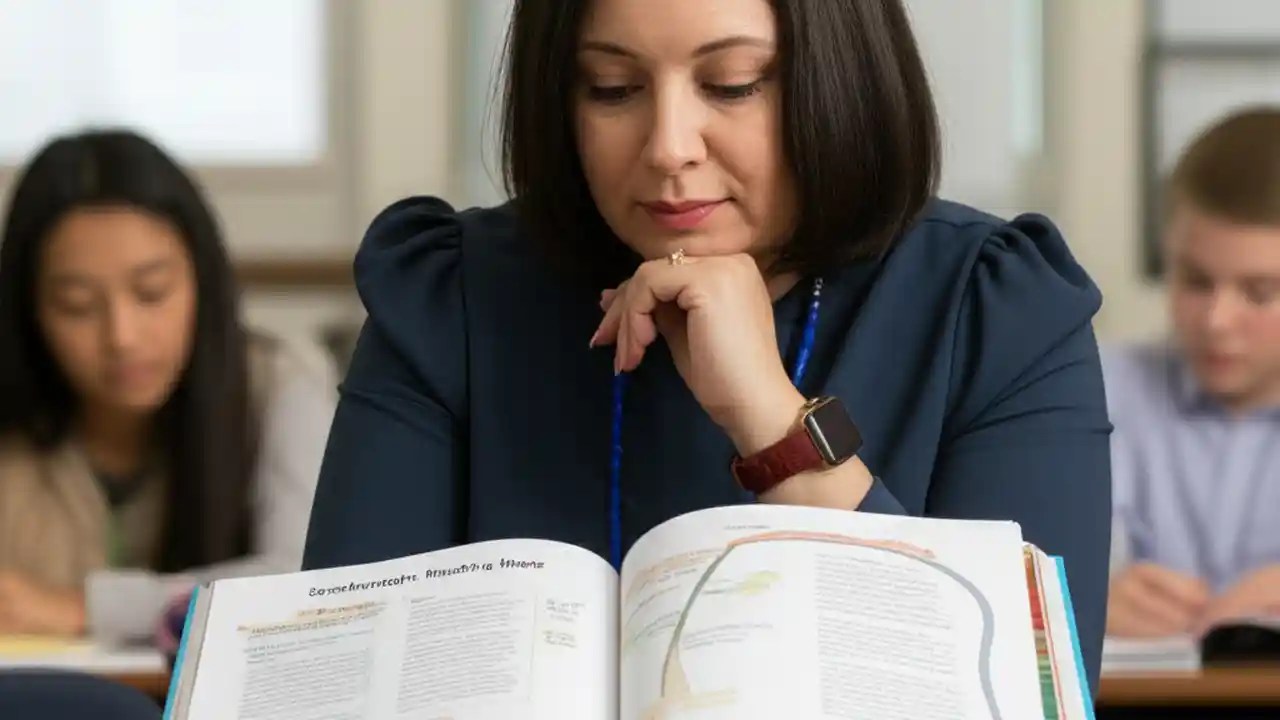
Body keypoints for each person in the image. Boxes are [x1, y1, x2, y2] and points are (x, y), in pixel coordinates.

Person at [302, 0, 1113, 689]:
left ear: (841, 76)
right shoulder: (450, 298)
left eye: (732, 85)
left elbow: (1011, 690)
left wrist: (771, 420)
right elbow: (347, 677)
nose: (668, 147)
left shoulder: (997, 306)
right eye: (612, 89)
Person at [0, 130, 337, 646]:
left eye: (151, 292)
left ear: (203, 279)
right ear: (29, 309)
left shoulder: (281, 384)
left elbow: (305, 580)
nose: (122, 336)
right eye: (76, 305)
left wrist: (82, 609)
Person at [1105, 108, 1280, 639]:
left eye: (1259, 293)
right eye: (1196, 281)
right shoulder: (1098, 391)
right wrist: (1085, 598)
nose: (1216, 321)